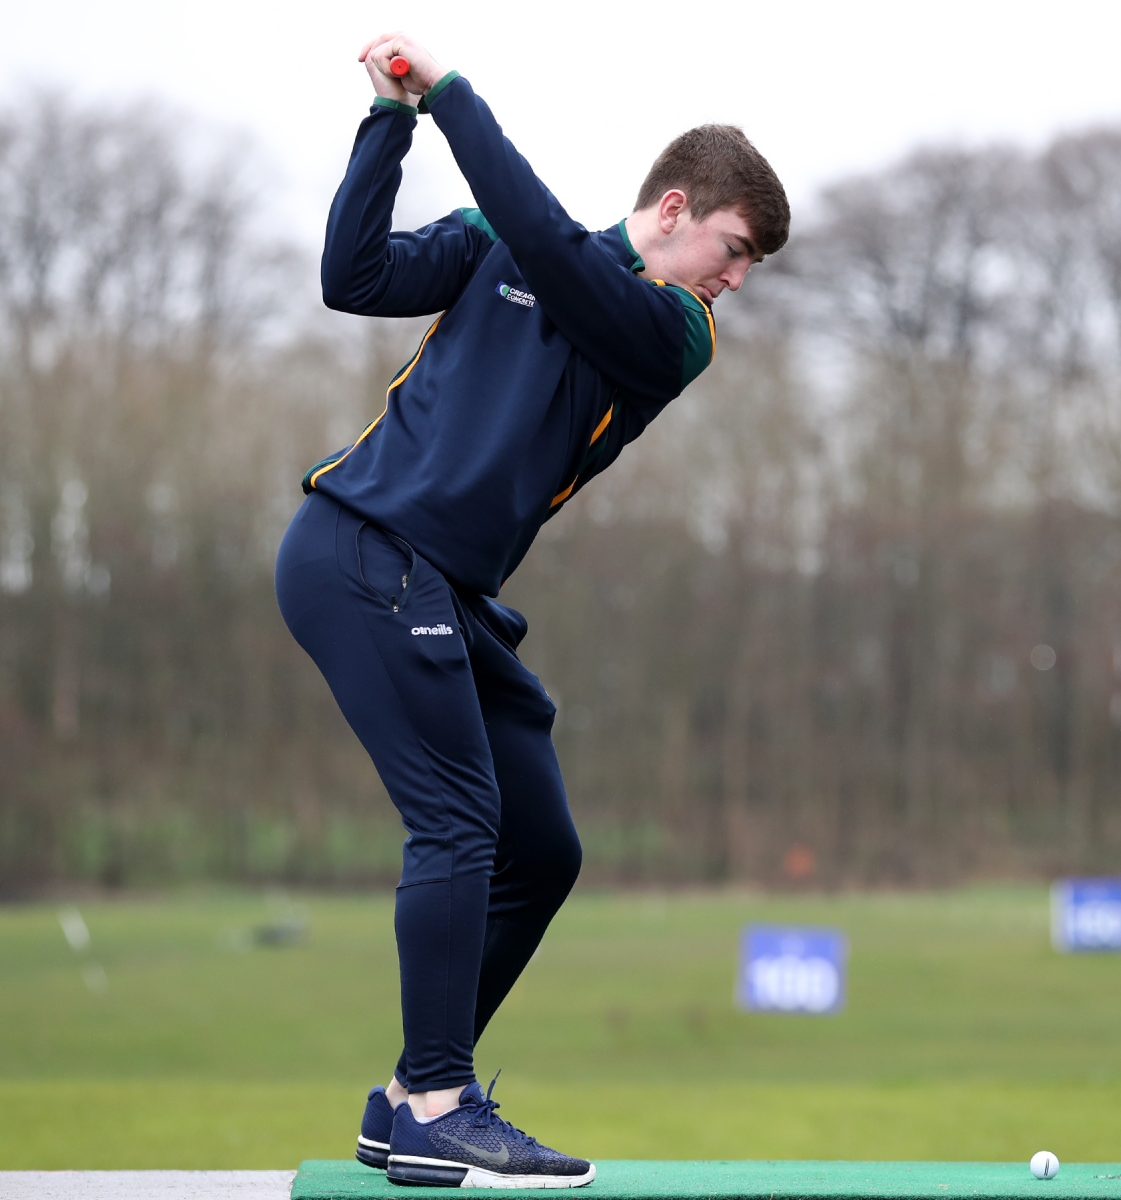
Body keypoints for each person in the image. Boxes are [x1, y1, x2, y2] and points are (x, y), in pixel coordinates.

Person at [274, 31, 790, 1189]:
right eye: (737, 248)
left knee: (541, 848)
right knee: (459, 822)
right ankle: (441, 1099)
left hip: (440, 594)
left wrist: (456, 99)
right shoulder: (495, 244)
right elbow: (350, 279)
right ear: (675, 206)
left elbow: (562, 258)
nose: (738, 280)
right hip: (362, 552)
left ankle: (411, 1096)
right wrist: (397, 119)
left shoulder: (675, 334)